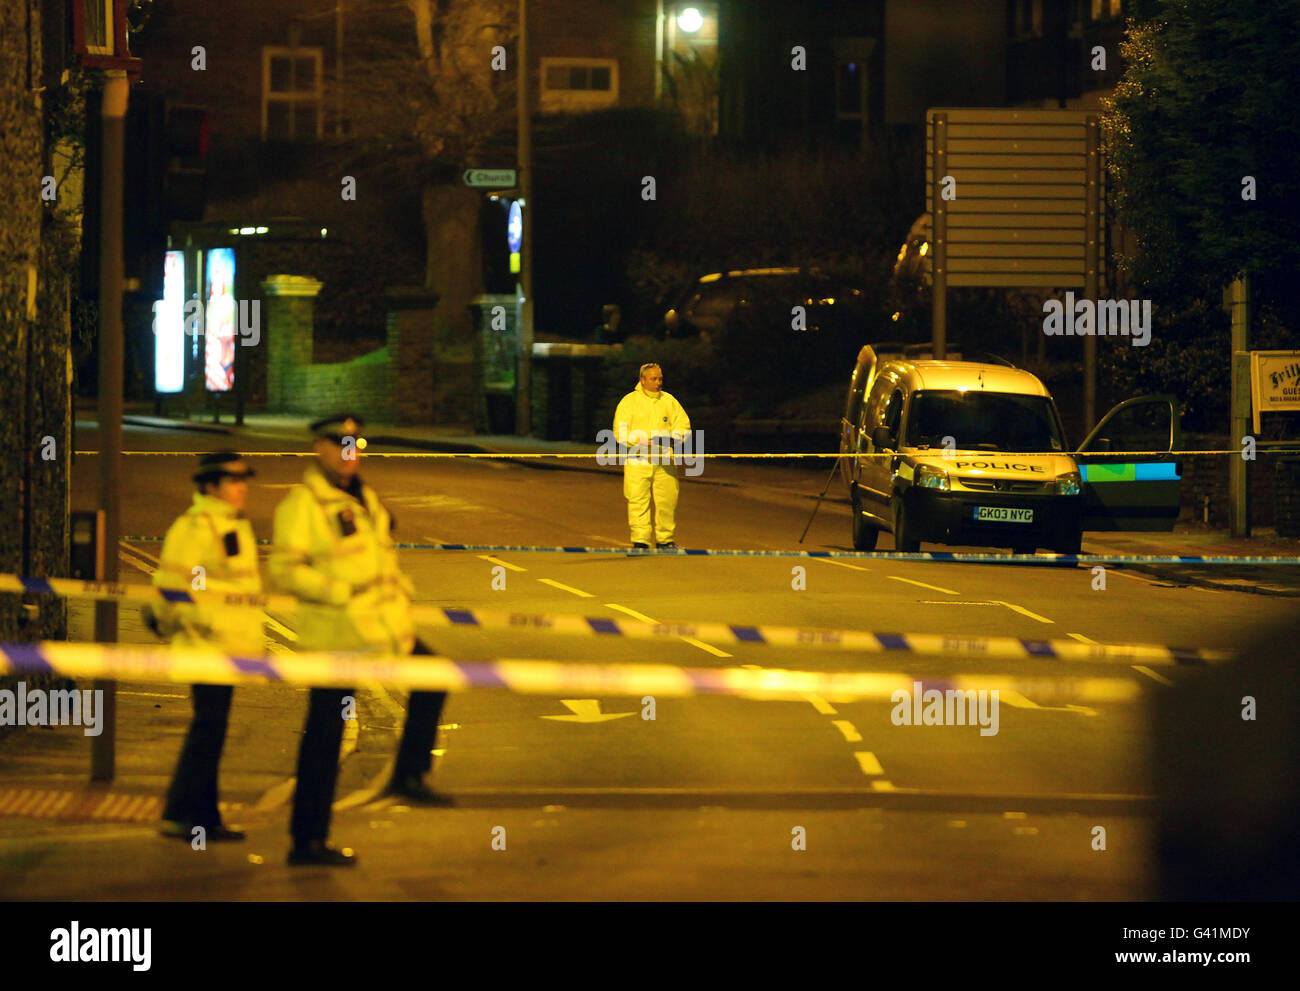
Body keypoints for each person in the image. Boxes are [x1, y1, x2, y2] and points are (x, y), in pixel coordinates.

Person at [267, 414, 449, 867]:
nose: (351, 453)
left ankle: (408, 775)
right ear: (320, 449)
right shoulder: (304, 504)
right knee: (325, 737)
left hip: (381, 629)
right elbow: (284, 569)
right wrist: (338, 592)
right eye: (341, 444)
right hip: (338, 635)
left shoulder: (364, 496)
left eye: (356, 444)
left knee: (433, 676)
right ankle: (307, 840)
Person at [149, 451, 262, 843]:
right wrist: (203, 621)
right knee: (207, 729)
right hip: (207, 646)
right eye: (233, 480)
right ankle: (181, 813)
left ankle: (205, 817)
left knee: (212, 730)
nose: (242, 486)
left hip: (227, 648)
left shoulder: (230, 524)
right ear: (210, 486)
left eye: (244, 479)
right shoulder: (197, 527)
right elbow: (179, 586)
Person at [613, 363, 691, 549]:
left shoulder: (669, 401)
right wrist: (639, 440)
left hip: (664, 458)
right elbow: (620, 431)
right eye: (654, 379)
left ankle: (665, 540)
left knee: (667, 500)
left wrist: (674, 437)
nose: (658, 382)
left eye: (660, 378)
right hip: (637, 458)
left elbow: (683, 424)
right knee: (638, 499)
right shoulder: (629, 402)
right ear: (643, 380)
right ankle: (640, 541)